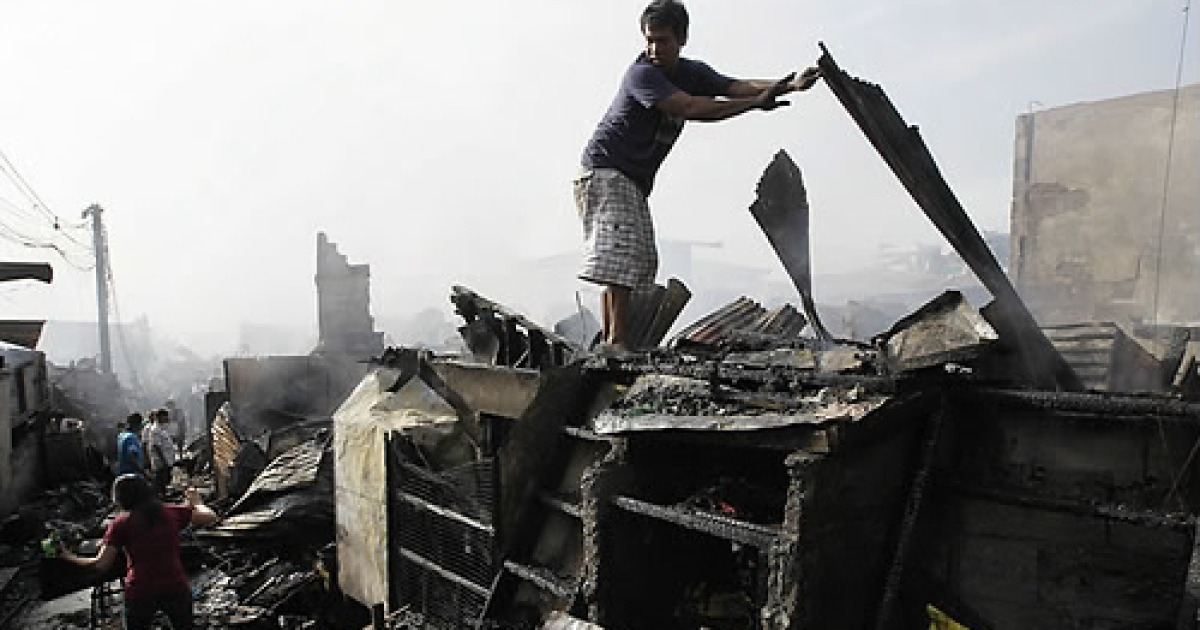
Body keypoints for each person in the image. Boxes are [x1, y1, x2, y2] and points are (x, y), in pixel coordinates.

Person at [576, 0, 821, 353]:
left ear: (682, 39)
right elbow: (692, 108)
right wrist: (756, 104)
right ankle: (615, 343)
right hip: (606, 170)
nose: (654, 49)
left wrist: (789, 85)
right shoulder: (642, 75)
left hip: (628, 178)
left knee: (636, 259)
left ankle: (615, 340)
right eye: (649, 40)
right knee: (621, 256)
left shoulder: (692, 73)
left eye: (662, 40)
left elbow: (735, 86)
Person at [60, 474, 219, 630]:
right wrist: (197, 503)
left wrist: (68, 556)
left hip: (141, 591)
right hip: (175, 586)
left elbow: (100, 565)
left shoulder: (121, 523)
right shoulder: (170, 512)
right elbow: (211, 517)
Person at [146, 408, 177, 496]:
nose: (167, 418)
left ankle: (163, 495)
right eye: (165, 416)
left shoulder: (162, 428)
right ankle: (159, 496)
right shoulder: (155, 430)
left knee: (165, 478)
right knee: (160, 479)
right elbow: (157, 446)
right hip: (160, 460)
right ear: (159, 417)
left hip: (166, 459)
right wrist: (164, 460)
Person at [115, 413, 147, 477]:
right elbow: (131, 456)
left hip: (122, 472)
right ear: (138, 424)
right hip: (132, 474)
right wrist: (143, 471)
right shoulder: (131, 437)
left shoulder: (121, 435)